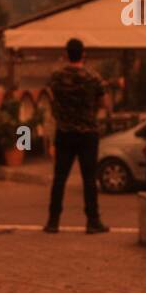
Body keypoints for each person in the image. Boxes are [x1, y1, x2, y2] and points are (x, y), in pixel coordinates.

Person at [45, 37, 109, 234]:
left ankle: (53, 221)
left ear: (65, 55)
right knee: (89, 179)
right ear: (83, 54)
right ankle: (92, 221)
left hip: (64, 133)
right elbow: (104, 104)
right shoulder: (93, 77)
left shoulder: (56, 77)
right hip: (88, 134)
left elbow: (51, 100)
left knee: (59, 178)